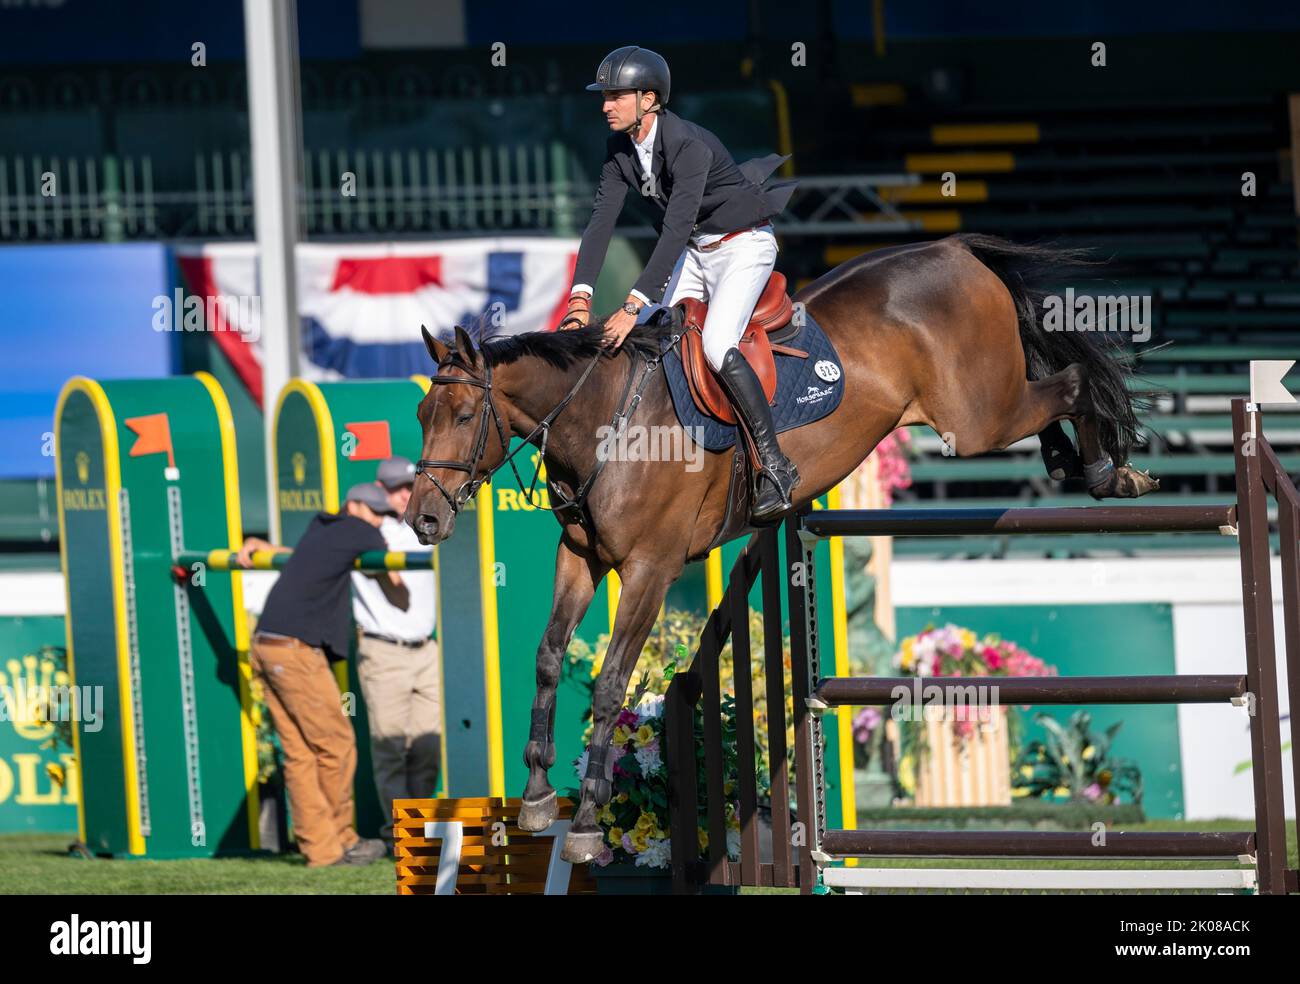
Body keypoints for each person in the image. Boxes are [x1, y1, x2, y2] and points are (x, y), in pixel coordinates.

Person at [562, 44, 801, 524]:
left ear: (648, 99)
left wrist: (631, 303)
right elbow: (600, 224)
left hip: (741, 246)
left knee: (714, 345)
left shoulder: (688, 144)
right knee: (656, 336)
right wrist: (580, 298)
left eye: (615, 96)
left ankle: (776, 465)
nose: (605, 105)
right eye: (603, 96)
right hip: (696, 249)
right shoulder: (619, 151)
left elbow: (674, 227)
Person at [238, 483, 407, 867]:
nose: (380, 520)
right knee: (337, 744)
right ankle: (342, 840)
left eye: (384, 514)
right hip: (295, 650)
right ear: (355, 506)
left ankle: (320, 849)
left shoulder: (323, 524)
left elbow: (301, 559)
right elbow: (394, 582)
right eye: (375, 512)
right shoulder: (362, 531)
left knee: (299, 754)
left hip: (266, 643)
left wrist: (263, 546)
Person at [351, 456, 441, 849]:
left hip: (427, 650)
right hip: (383, 651)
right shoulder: (368, 530)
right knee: (390, 751)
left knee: (427, 749)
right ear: (380, 491)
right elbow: (313, 549)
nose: (406, 494)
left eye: (410, 485)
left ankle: (419, 835)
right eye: (397, 488)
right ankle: (400, 837)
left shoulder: (430, 525)